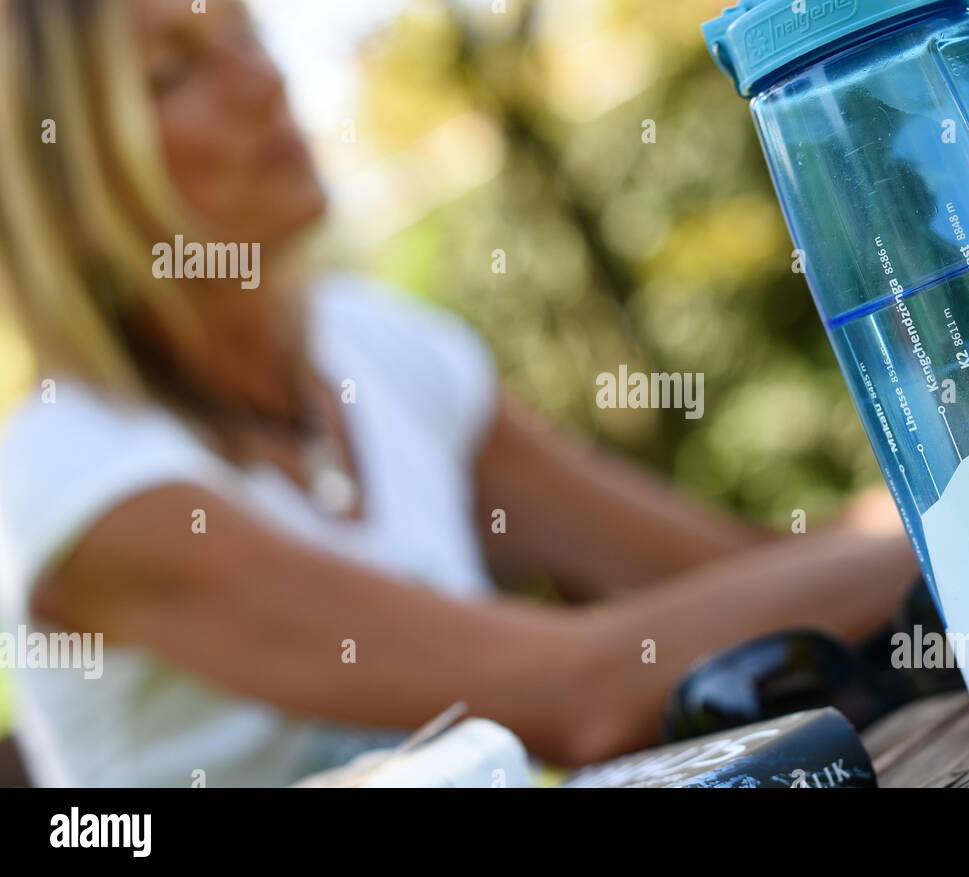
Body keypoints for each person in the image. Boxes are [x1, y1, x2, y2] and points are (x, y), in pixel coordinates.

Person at [0, 0, 920, 787]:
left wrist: (950, 499)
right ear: (64, 194)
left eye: (244, 32)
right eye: (173, 72)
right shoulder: (73, 474)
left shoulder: (374, 342)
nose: (261, 79)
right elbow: (579, 692)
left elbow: (715, 570)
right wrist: (959, 517)